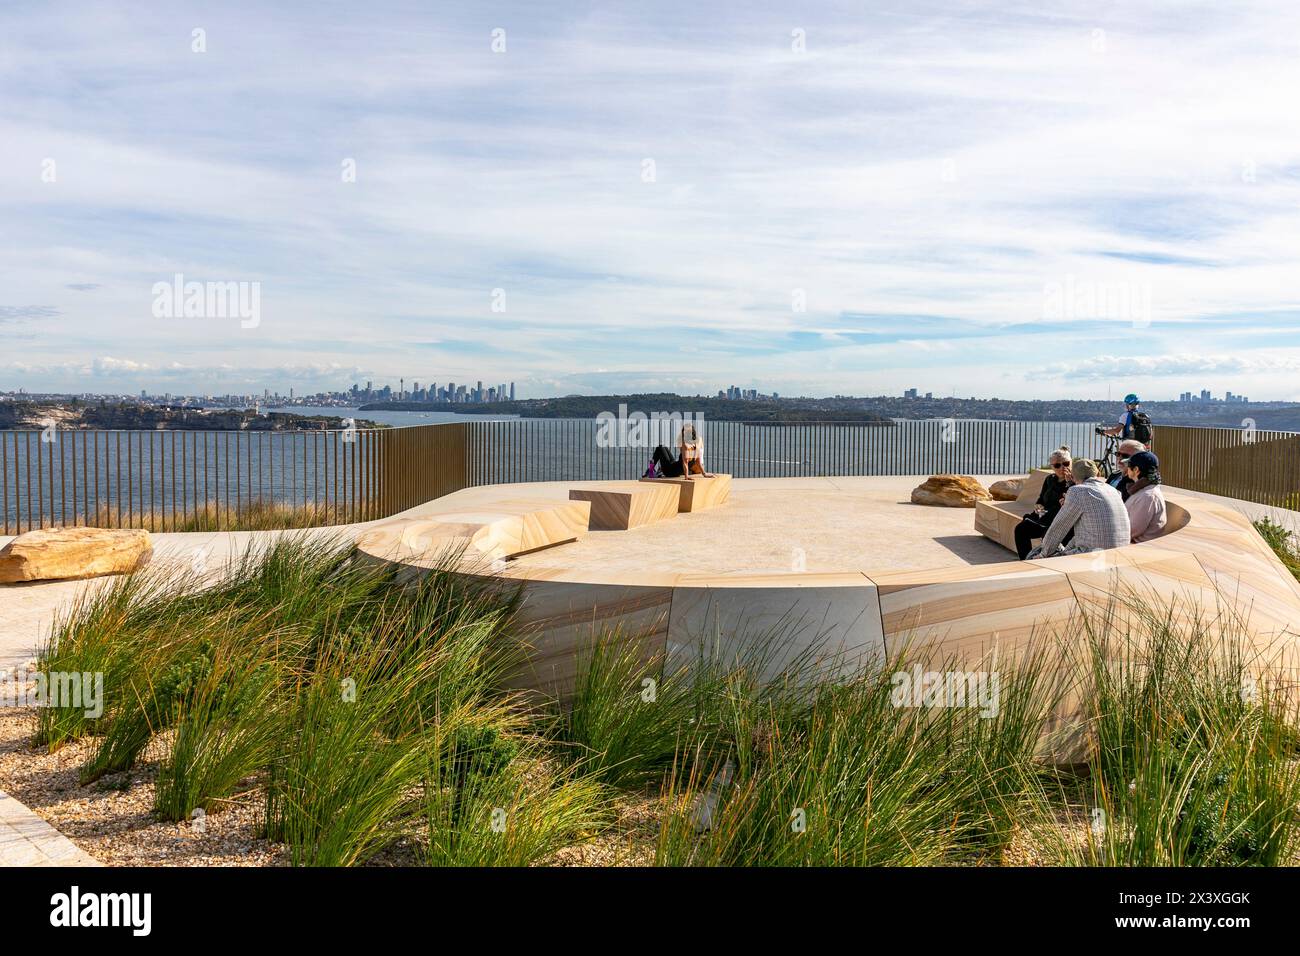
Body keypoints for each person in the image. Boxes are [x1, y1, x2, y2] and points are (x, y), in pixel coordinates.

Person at [1027, 458, 1130, 558]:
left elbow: (1058, 528)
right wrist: (1065, 550)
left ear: (1073, 477)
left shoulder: (1077, 491)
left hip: (1092, 554)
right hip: (1120, 551)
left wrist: (1043, 554)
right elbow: (1083, 533)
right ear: (1097, 474)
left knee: (1036, 554)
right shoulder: (1114, 491)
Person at [1014, 446, 1074, 560]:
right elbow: (1041, 499)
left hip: (1061, 522)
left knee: (1048, 535)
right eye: (1057, 465)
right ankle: (1025, 560)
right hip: (1044, 517)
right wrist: (1038, 506)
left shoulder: (1075, 481)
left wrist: (1070, 482)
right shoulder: (1050, 479)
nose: (1062, 468)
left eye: (1066, 463)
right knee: (1021, 529)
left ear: (1071, 462)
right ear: (1052, 467)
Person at [1123, 450, 1167, 542]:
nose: (1127, 469)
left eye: (1129, 466)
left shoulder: (1148, 496)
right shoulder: (1145, 491)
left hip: (1136, 547)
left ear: (1136, 470)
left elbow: (1132, 530)